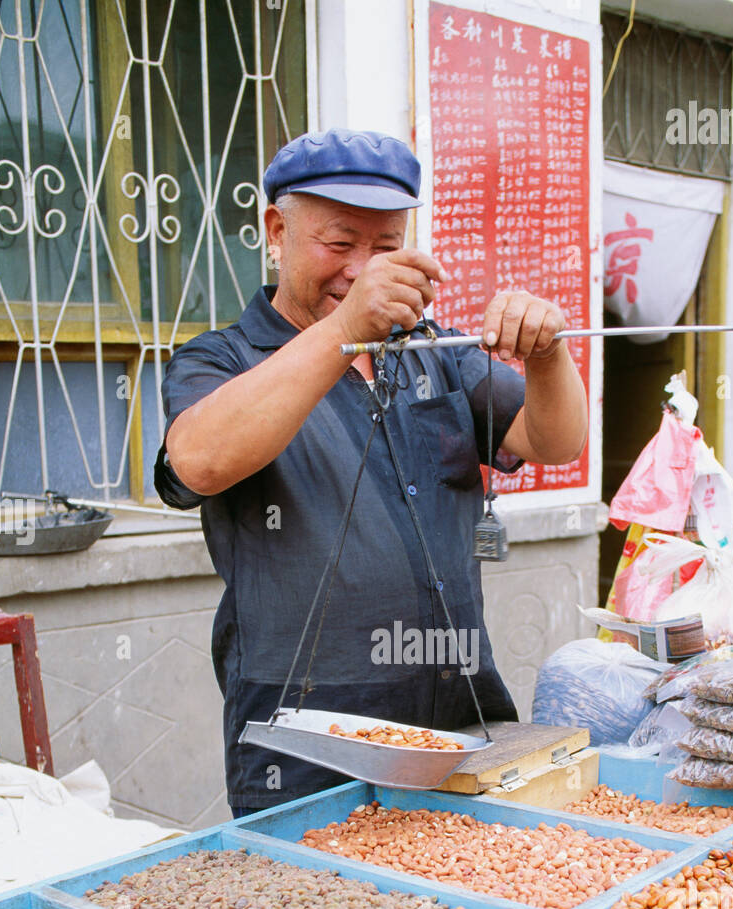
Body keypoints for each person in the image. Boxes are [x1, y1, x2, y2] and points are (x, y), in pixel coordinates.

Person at [155, 128, 587, 816]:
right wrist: (343, 329)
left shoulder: (430, 350)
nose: (362, 269)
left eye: (385, 248)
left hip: (457, 705)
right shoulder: (223, 360)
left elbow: (553, 440)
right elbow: (200, 461)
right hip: (308, 736)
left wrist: (546, 354)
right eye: (338, 243)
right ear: (277, 229)